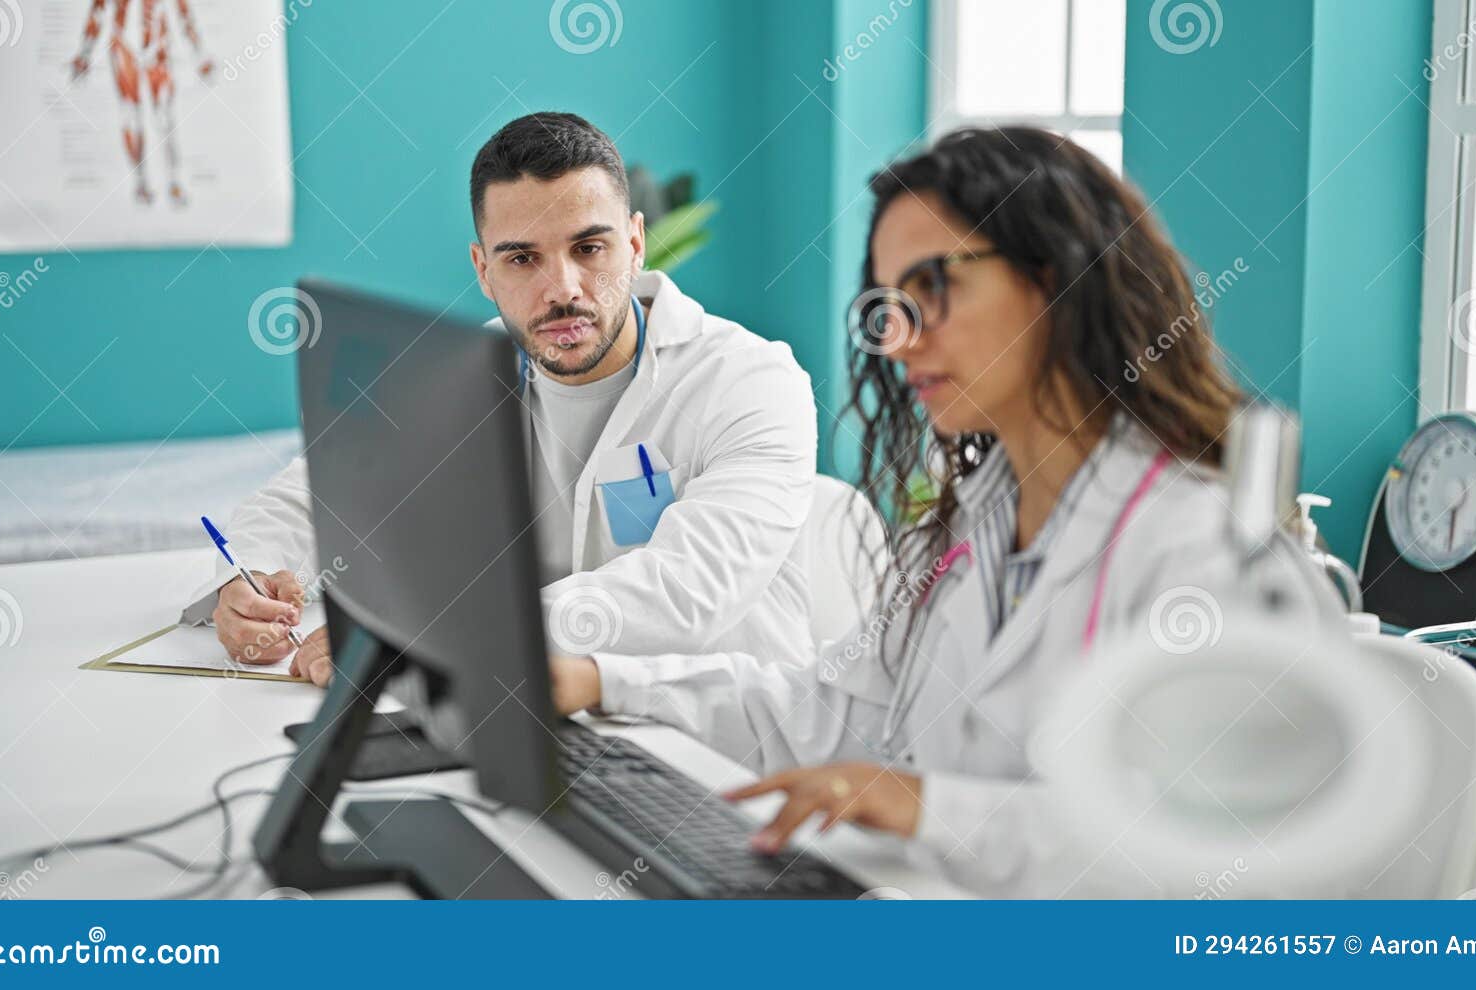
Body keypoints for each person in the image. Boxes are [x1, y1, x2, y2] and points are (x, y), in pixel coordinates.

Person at [548, 127, 1349, 896]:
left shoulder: (1204, 555)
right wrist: (600, 679)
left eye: (935, 285)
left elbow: (1228, 870)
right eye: (891, 303)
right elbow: (826, 712)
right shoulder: (973, 526)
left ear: (1058, 276)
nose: (898, 340)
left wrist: (929, 806)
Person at [181, 112, 818, 686]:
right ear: (484, 270)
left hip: (730, 747)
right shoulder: (449, 376)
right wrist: (250, 579)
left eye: (589, 248)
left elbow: (690, 590)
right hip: (546, 722)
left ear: (635, 243)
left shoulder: (752, 383)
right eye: (522, 259)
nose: (562, 288)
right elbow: (313, 497)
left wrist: (429, 638)